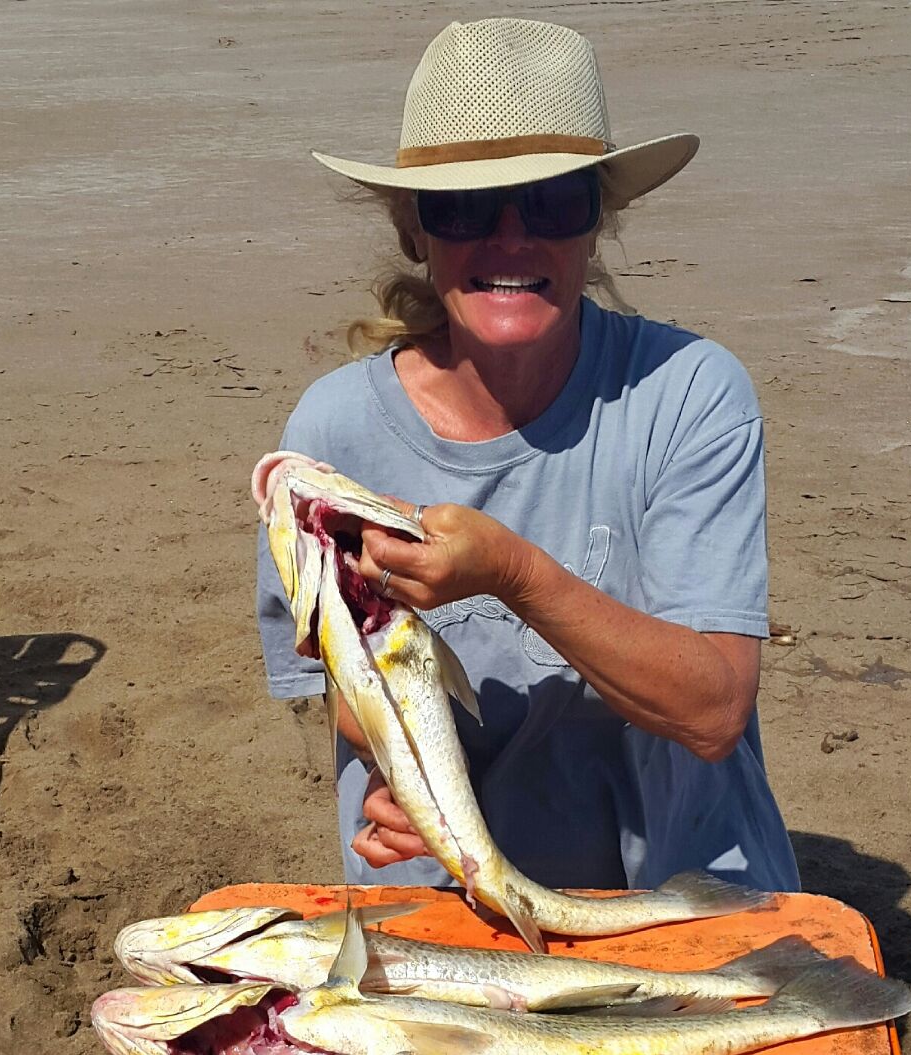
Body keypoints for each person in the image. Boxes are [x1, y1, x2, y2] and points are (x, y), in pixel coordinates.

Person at [256, 16, 800, 895]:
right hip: (449, 891)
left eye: (553, 203)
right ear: (414, 229)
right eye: (465, 208)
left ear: (597, 222)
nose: (512, 241)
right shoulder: (331, 436)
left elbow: (711, 710)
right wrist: (402, 777)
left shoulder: (691, 393)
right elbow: (346, 683)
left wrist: (514, 574)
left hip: (683, 891)